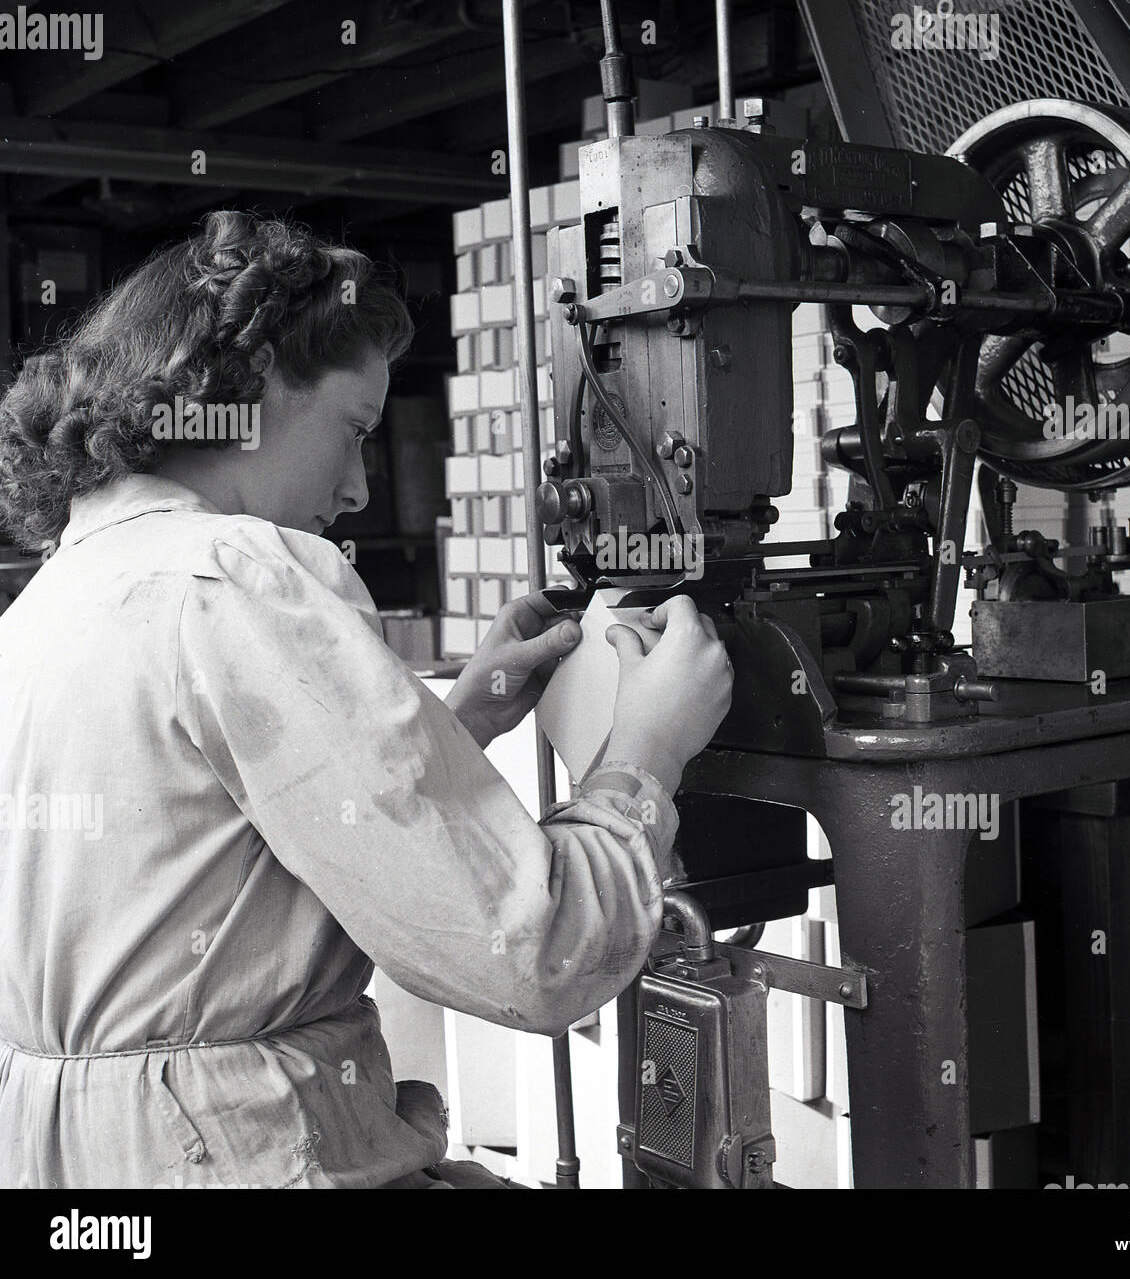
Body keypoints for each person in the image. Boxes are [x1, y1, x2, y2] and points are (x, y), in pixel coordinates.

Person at [0, 210, 733, 1188]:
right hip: (230, 1147)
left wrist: (457, 717)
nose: (355, 489)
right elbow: (535, 952)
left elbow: (213, 845)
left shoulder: (57, 592)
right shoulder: (239, 574)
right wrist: (647, 747)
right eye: (353, 432)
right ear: (247, 389)